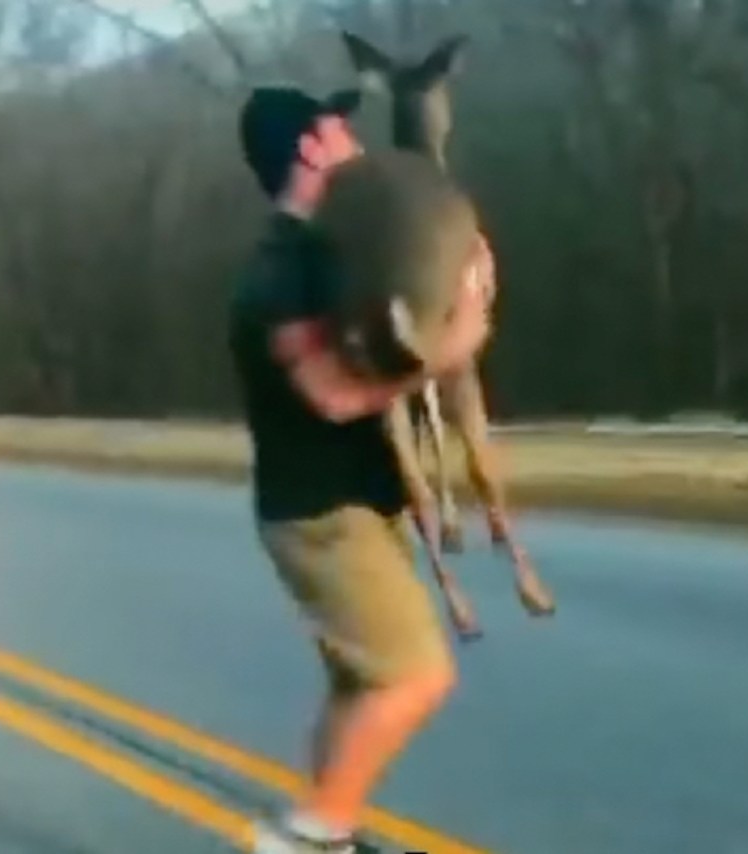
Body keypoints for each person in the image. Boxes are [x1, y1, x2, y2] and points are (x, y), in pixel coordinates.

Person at [229, 85, 494, 854]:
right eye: (339, 130)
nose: (353, 142)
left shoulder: (331, 247)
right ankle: (305, 835)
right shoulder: (277, 272)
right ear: (310, 150)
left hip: (354, 504)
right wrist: (461, 338)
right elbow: (336, 396)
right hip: (318, 515)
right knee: (414, 676)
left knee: (358, 684)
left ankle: (326, 838)